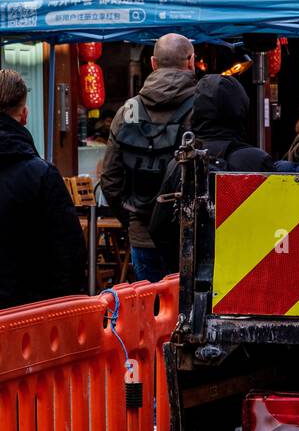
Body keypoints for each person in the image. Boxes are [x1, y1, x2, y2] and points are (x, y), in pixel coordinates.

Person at [150, 73, 274, 273]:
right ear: (240, 108)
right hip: (246, 276)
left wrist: (184, 263)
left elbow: (158, 226)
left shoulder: (180, 162)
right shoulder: (255, 161)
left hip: (191, 280)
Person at [100, 33, 197, 283]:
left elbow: (110, 178)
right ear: (191, 61)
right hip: (188, 233)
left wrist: (132, 219)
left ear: (153, 63)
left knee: (150, 313)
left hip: (142, 234)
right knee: (189, 313)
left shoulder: (127, 111)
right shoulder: (202, 107)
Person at [0, 69, 86, 310]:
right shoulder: (42, 174)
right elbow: (69, 253)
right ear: (24, 115)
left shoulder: (41, 173)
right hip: (30, 310)